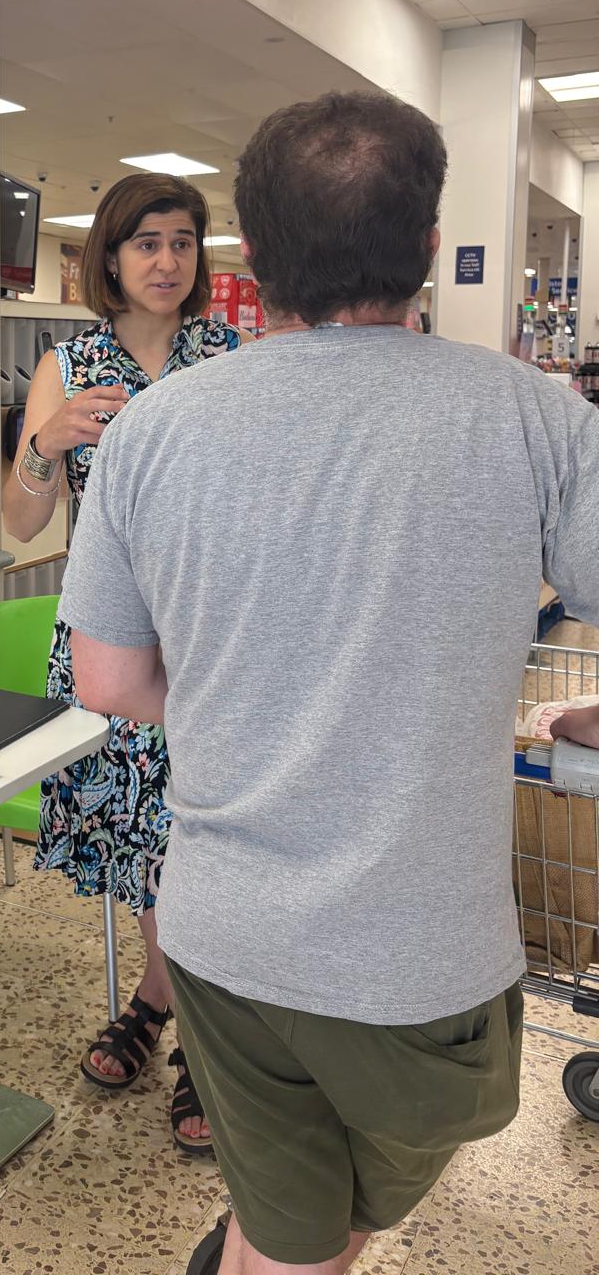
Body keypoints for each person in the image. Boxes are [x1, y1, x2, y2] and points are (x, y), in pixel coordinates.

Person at [56, 90, 599, 1275]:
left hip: (223, 934)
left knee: (289, 1209)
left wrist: (235, 701)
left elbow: (104, 676)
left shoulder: (155, 429)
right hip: (423, 952)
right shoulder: (535, 416)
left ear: (251, 255)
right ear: (422, 246)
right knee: (337, 1218)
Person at [3, 172, 242, 1153]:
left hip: (207, 641)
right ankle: (174, 1017)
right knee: (146, 847)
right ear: (110, 255)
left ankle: (168, 1018)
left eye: (182, 242)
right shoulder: (69, 363)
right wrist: (44, 443)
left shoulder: (226, 358)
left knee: (200, 842)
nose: (165, 260)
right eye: (146, 242)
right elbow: (21, 523)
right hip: (107, 642)